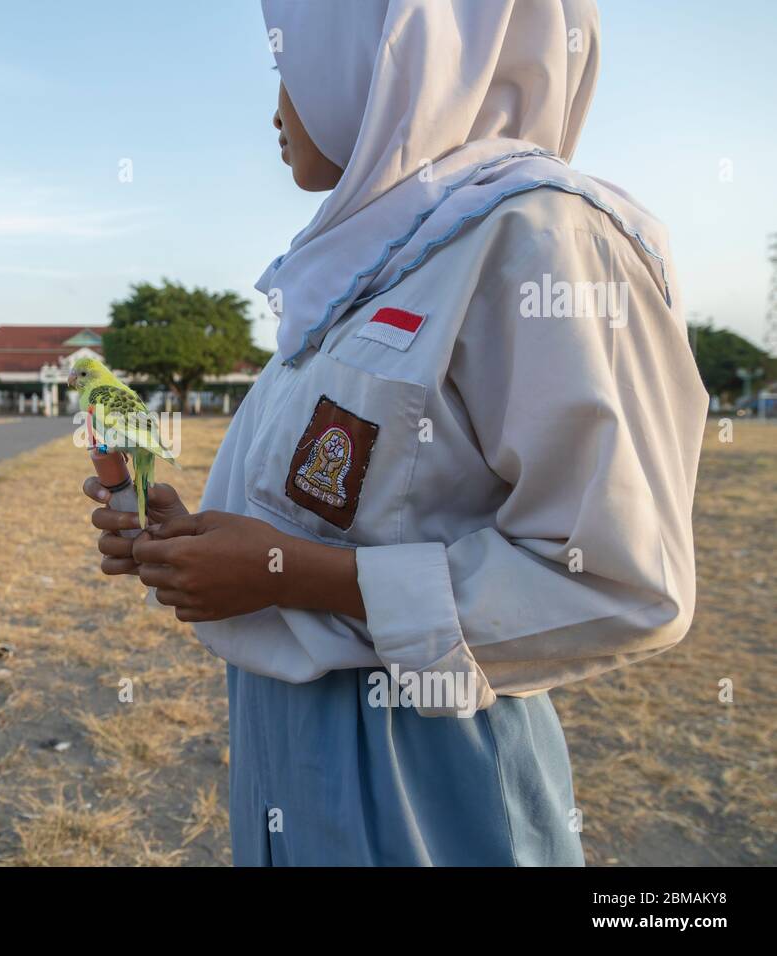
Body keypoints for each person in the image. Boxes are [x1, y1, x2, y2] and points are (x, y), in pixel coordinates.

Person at [84, 0, 706, 866]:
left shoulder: (547, 238)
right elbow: (341, 510)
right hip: (282, 747)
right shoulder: (349, 268)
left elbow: (625, 584)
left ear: (392, 58)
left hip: (425, 762)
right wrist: (185, 534)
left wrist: (290, 573)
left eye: (289, 68)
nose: (277, 107)